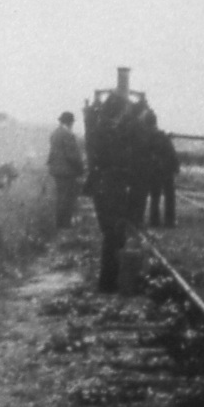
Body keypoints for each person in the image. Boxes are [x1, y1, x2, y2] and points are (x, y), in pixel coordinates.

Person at [84, 94, 134, 293]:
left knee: (112, 233)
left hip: (103, 185)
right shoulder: (109, 131)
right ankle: (108, 283)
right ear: (118, 111)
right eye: (123, 111)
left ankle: (109, 281)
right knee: (113, 232)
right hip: (110, 186)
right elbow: (116, 160)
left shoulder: (100, 127)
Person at [47, 111, 85, 229]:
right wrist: (80, 168)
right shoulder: (67, 134)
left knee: (61, 197)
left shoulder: (55, 133)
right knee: (67, 198)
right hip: (66, 171)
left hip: (57, 170)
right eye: (72, 122)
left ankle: (60, 223)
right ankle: (64, 224)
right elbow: (72, 156)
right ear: (69, 122)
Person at [145, 111, 180, 228]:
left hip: (154, 170)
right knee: (169, 196)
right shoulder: (163, 136)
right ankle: (170, 221)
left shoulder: (145, 136)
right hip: (167, 169)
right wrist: (176, 167)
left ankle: (154, 221)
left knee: (155, 196)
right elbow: (172, 152)